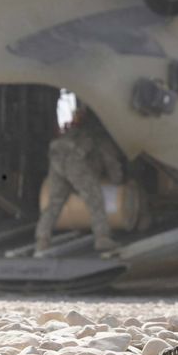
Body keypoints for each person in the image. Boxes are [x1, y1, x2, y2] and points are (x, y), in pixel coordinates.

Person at [35, 107, 124, 254]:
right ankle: (102, 238)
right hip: (75, 163)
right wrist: (117, 180)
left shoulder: (75, 133)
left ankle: (42, 239)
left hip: (56, 161)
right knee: (95, 198)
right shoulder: (100, 136)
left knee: (55, 202)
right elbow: (110, 161)